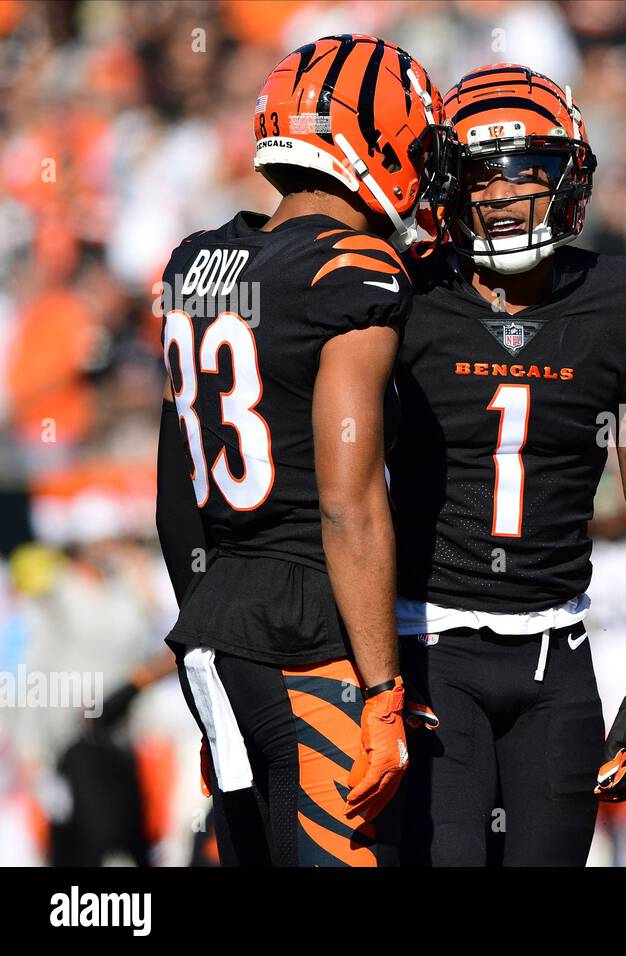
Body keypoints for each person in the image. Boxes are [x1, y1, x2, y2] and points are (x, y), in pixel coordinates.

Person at [155, 35, 448, 866]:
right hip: (310, 630)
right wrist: (386, 690)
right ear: (376, 143)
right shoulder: (350, 267)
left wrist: (207, 633)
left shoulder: (197, 263)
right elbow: (348, 501)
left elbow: (176, 498)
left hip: (216, 630)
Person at [389, 63, 626, 866]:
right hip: (425, 646)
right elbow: (336, 492)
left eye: (526, 169)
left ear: (571, 176)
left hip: (557, 654)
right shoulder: (397, 295)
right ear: (447, 187)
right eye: (481, 173)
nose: (501, 193)